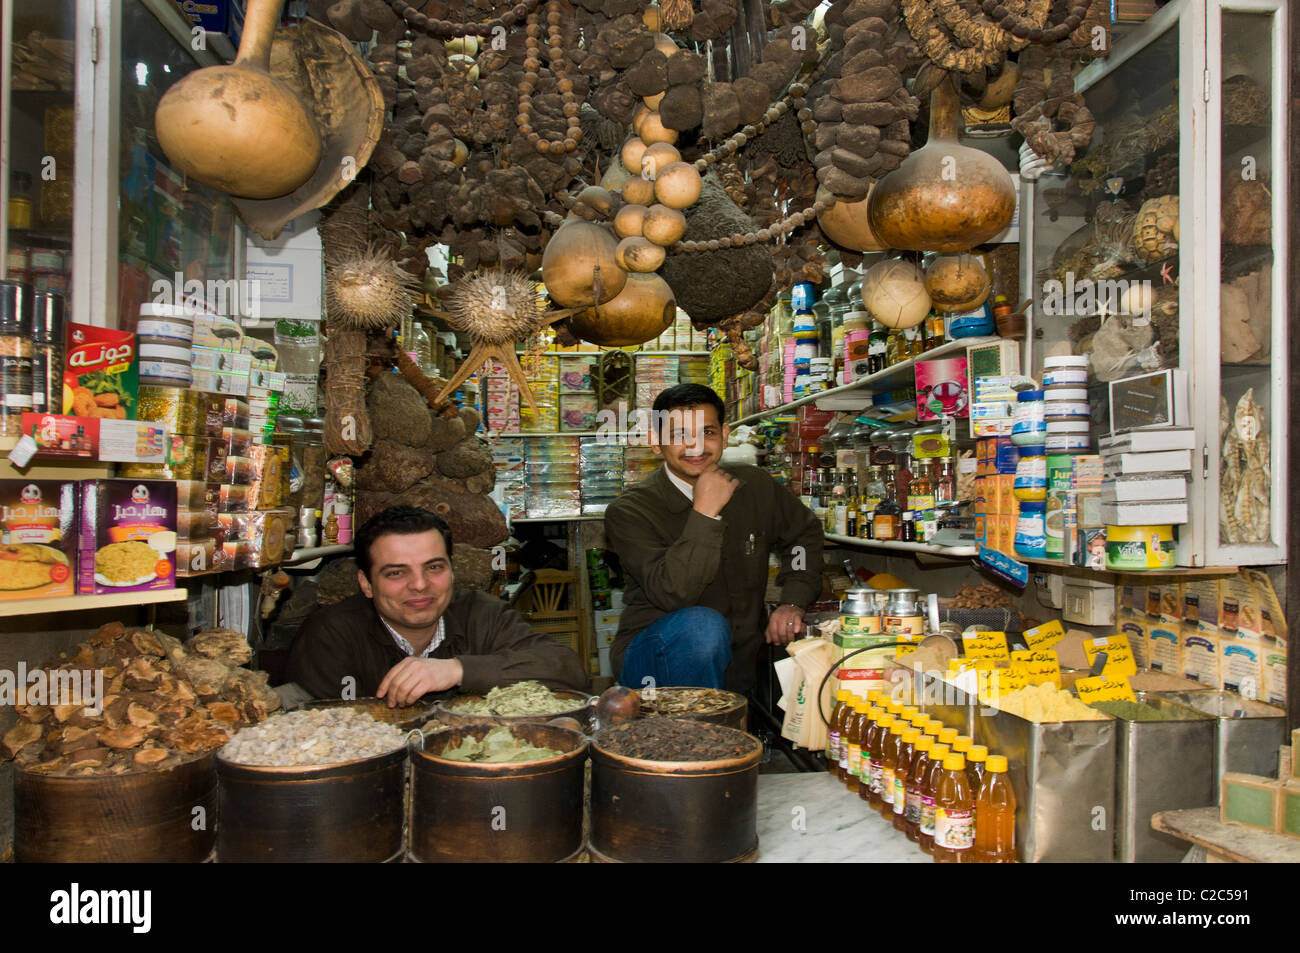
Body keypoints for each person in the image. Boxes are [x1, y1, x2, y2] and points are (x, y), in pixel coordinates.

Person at [604, 383, 824, 693]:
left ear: (724, 433)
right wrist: (705, 513)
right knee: (702, 627)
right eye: (680, 435)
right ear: (655, 441)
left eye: (707, 433)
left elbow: (804, 533)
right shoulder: (630, 511)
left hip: (742, 661)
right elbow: (674, 594)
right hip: (655, 661)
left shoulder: (755, 485)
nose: (696, 448)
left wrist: (793, 601)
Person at [287, 506, 587, 705]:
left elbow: (569, 671)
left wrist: (458, 670)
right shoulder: (331, 635)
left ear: (452, 571)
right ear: (366, 583)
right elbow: (329, 737)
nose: (420, 584)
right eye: (396, 572)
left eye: (434, 568)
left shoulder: (483, 613)